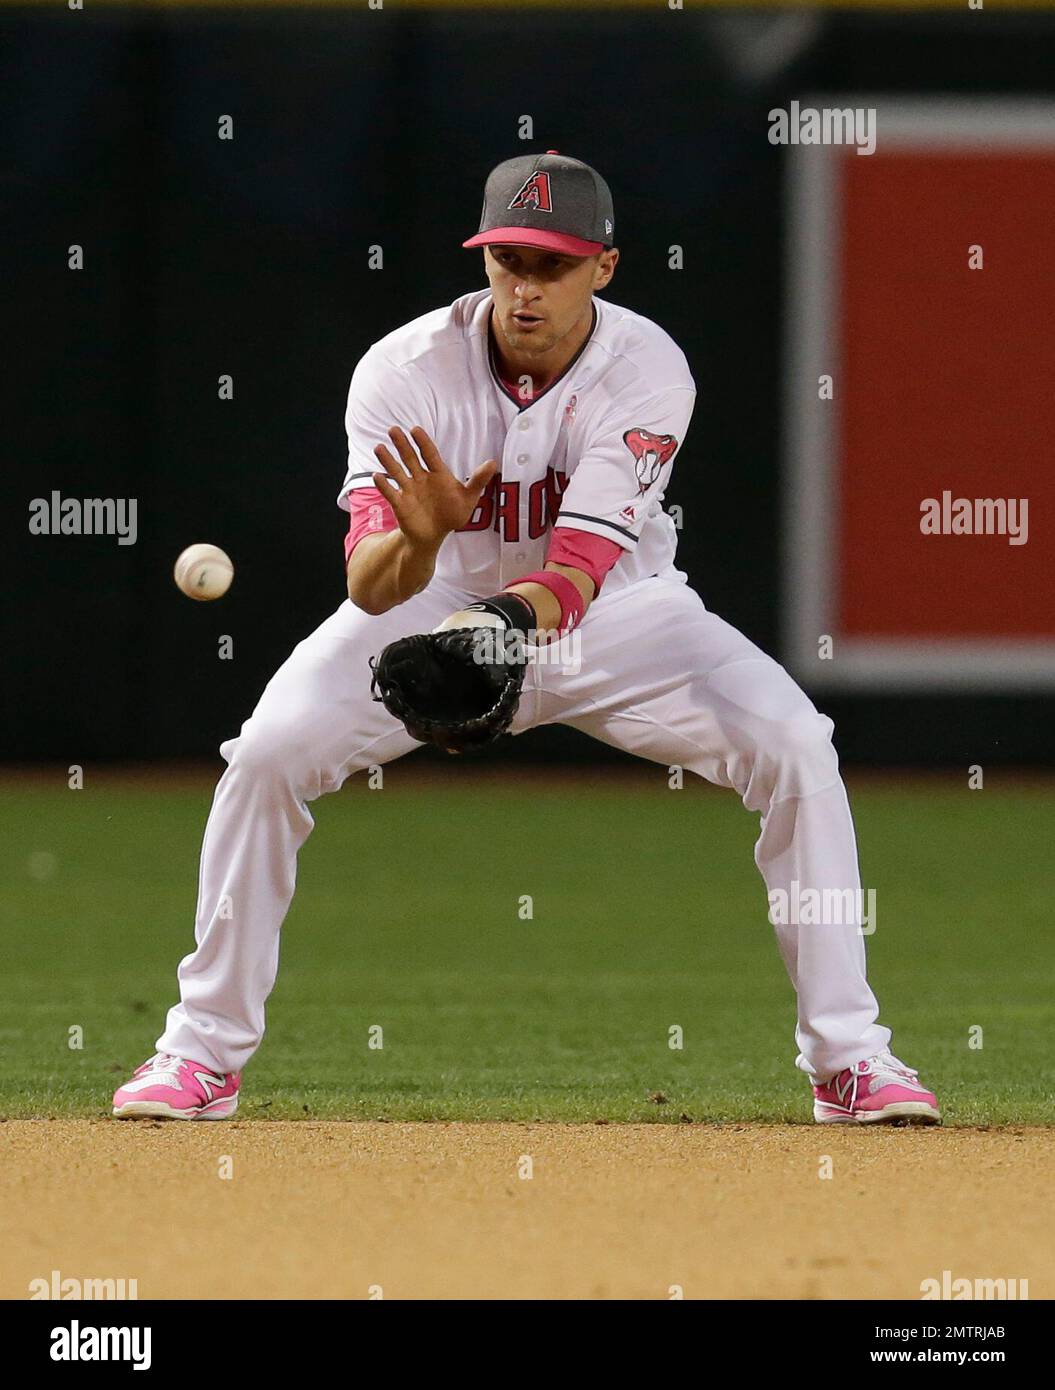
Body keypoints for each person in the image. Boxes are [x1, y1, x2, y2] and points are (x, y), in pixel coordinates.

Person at [113, 151, 940, 1126]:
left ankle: (848, 1059)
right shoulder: (404, 368)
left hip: (625, 617)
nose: (524, 286)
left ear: (603, 267)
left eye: (550, 264)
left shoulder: (644, 368)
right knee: (264, 756)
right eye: (506, 259)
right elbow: (369, 585)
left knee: (797, 744)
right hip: (438, 604)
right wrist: (415, 545)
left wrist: (493, 629)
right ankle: (198, 1054)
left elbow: (579, 569)